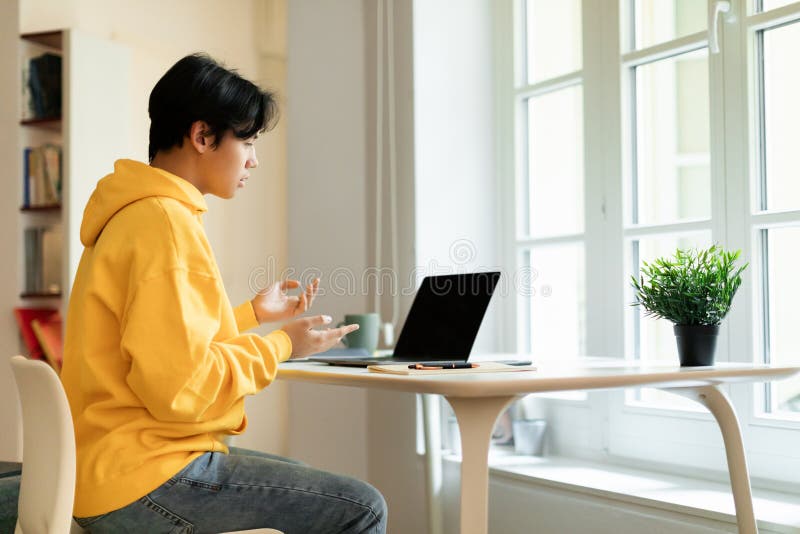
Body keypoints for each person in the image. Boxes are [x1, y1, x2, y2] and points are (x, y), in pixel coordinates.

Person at [60, 53, 387, 534]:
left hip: (104, 467)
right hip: (144, 477)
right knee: (363, 506)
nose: (254, 159)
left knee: (316, 485)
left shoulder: (133, 216)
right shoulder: (166, 226)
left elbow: (157, 348)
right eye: (249, 141)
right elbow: (181, 390)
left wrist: (252, 314)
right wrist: (283, 346)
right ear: (203, 136)